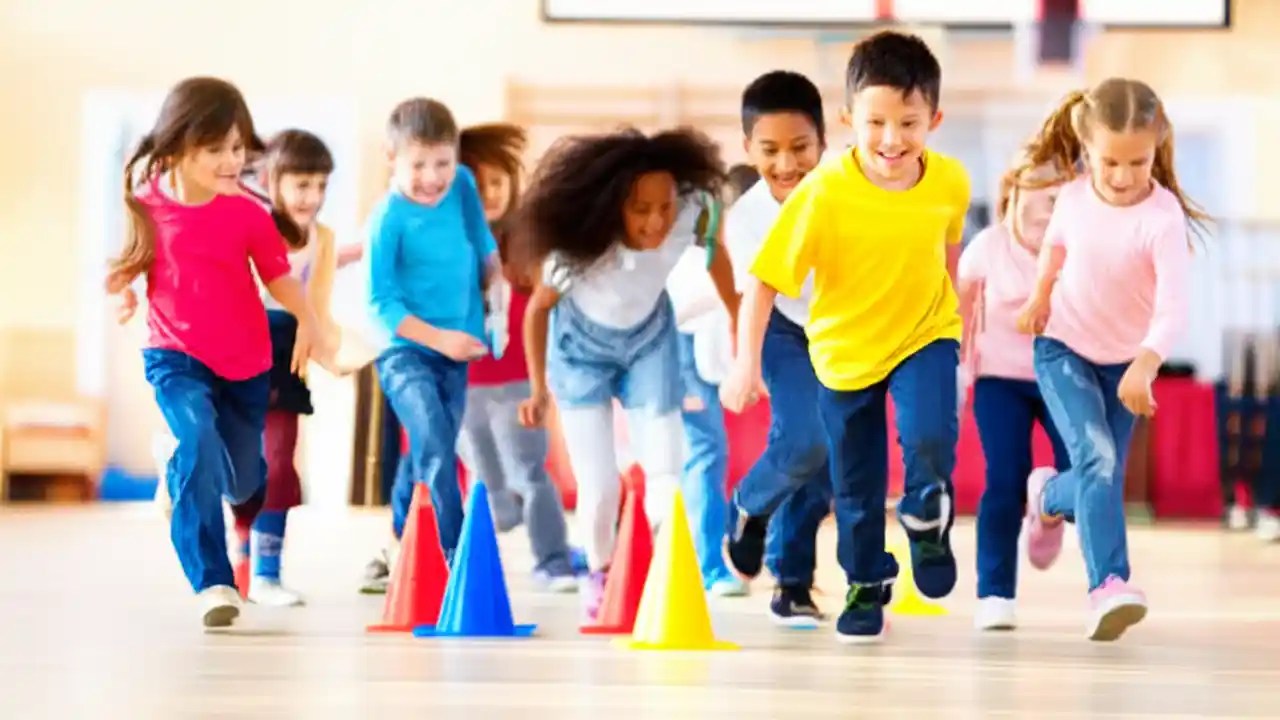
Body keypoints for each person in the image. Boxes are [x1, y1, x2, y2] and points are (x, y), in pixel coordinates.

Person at [721, 31, 971, 644]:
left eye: (909, 123)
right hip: (838, 350)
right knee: (853, 484)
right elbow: (763, 285)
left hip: (922, 333)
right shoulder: (823, 192)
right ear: (848, 119)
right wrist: (744, 364)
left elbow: (947, 252)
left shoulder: (950, 182)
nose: (892, 139)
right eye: (876, 122)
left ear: (934, 119)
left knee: (932, 433)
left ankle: (926, 511)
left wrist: (963, 326)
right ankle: (864, 585)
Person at [108, 76, 328, 628]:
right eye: (218, 150)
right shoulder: (146, 207)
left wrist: (308, 321)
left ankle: (176, 461)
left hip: (246, 364)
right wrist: (124, 296)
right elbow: (127, 267)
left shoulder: (249, 213)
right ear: (180, 145)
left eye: (238, 148)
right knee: (197, 440)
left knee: (243, 481)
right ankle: (212, 581)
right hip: (175, 356)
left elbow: (279, 280)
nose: (234, 161)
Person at [515, 127, 738, 622]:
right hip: (579, 352)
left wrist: (738, 313)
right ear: (613, 207)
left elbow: (715, 254)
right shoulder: (578, 252)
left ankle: (664, 568)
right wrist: (537, 388)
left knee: (665, 471)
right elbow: (536, 312)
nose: (657, 221)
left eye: (664, 206)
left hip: (649, 342)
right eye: (641, 210)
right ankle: (599, 570)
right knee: (599, 488)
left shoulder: (690, 212)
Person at [1015, 78, 1208, 641]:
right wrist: (1039, 295)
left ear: (1158, 146)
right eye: (1109, 163)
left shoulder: (1162, 217)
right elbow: (1055, 246)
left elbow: (1173, 308)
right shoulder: (1074, 197)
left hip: (1124, 363)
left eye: (1137, 162)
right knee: (1098, 461)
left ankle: (1048, 495)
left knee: (1103, 476)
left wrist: (1145, 364)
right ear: (1087, 148)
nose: (1123, 178)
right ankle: (1109, 586)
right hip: (1062, 348)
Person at [363, 97, 500, 570]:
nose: (432, 176)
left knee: (426, 447)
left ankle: (399, 543)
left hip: (457, 350)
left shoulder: (461, 185)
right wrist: (441, 340)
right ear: (391, 159)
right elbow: (381, 305)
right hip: (404, 352)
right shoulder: (387, 218)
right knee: (439, 445)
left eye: (442, 162)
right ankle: (455, 555)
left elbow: (481, 240)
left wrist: (495, 288)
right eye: (417, 164)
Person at [719, 70, 835, 626]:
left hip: (843, 331)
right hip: (785, 329)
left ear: (823, 144)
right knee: (804, 441)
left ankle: (792, 583)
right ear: (748, 149)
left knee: (828, 463)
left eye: (800, 148)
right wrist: (746, 366)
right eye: (769, 151)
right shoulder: (747, 220)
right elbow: (756, 297)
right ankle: (748, 502)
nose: (786, 164)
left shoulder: (843, 191)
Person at [455, 122, 578, 591]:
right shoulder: (450, 243)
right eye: (477, 183)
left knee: (530, 472)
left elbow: (551, 305)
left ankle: (553, 559)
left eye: (497, 183)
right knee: (487, 485)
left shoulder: (529, 242)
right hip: (464, 384)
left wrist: (545, 383)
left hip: (516, 383)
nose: (488, 194)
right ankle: (483, 547)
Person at [956, 144, 1071, 630]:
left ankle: (1047, 507)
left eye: (1060, 197)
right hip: (1000, 379)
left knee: (1082, 473)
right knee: (1005, 477)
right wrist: (960, 371)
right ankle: (995, 593)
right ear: (1015, 192)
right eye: (1042, 193)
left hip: (1061, 375)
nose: (1050, 205)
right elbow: (962, 313)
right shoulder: (987, 247)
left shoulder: (1076, 250)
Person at [246, 129, 342, 607]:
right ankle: (239, 561)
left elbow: (317, 302)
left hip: (289, 356)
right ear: (271, 181)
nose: (313, 198)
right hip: (243, 351)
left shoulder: (322, 238)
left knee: (279, 464)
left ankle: (267, 572)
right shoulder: (254, 224)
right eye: (302, 185)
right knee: (239, 465)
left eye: (321, 186)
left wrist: (332, 353)